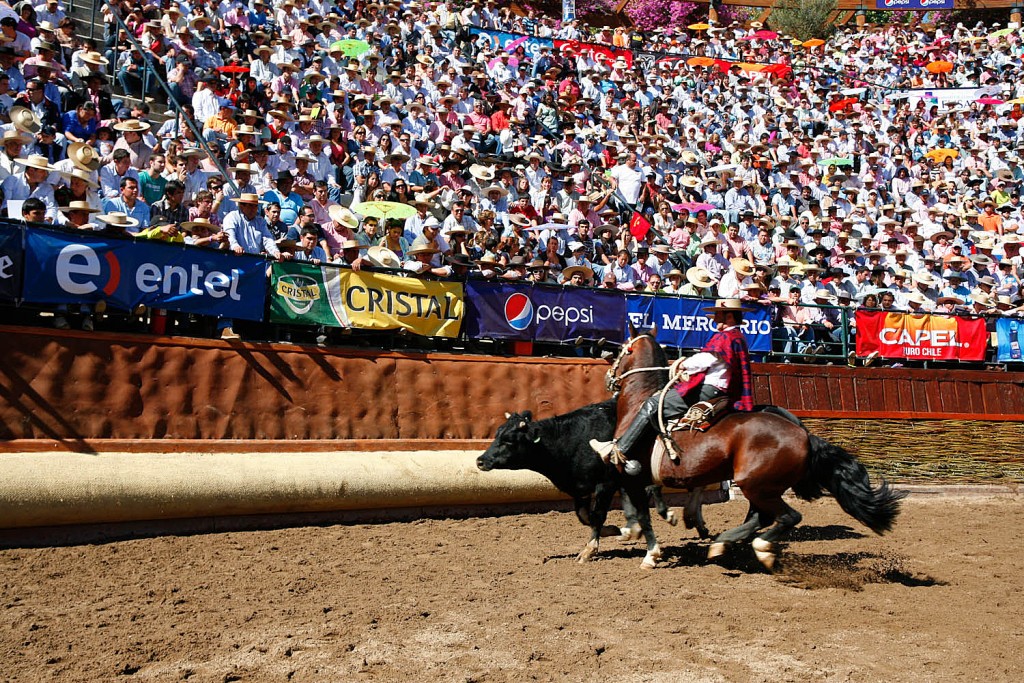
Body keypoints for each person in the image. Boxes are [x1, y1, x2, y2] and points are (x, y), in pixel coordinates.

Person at [591, 298, 755, 468]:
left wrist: (683, 364)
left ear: (728, 317)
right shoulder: (737, 337)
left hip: (708, 390)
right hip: (721, 390)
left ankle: (619, 450)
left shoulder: (725, 337)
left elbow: (706, 359)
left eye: (718, 314)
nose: (714, 318)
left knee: (653, 404)